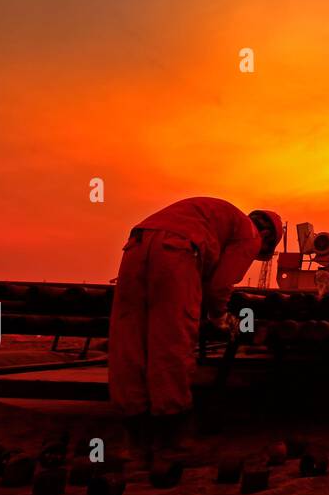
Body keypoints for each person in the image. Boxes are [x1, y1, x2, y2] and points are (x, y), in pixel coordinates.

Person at [108, 197, 282, 461]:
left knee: (129, 342)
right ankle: (174, 441)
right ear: (267, 235)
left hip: (136, 245)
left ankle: (135, 441)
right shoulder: (250, 233)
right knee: (171, 343)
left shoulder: (218, 218)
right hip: (177, 253)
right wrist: (219, 317)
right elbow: (219, 286)